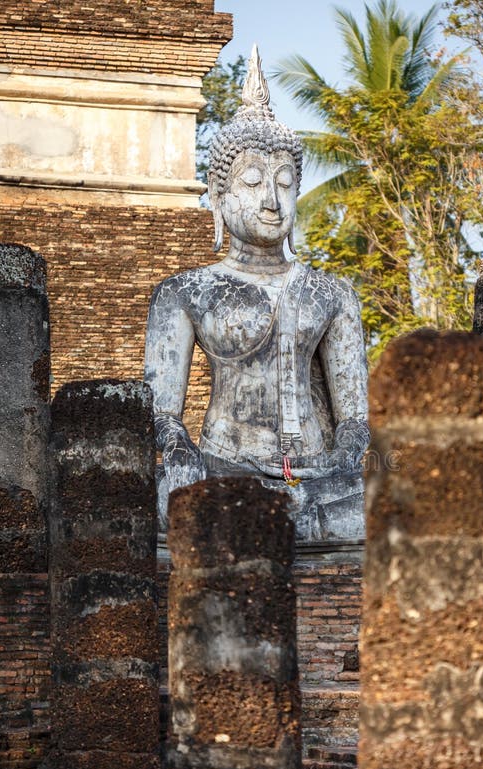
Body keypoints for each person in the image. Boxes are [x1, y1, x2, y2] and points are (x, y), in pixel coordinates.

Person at [144, 47, 369, 542]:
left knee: (394, 500)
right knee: (157, 497)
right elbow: (163, 412)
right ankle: (284, 524)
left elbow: (354, 415)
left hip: (318, 477)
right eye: (252, 181)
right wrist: (178, 451)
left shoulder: (331, 293)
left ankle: (284, 522)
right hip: (224, 467)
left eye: (285, 183)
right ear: (220, 199)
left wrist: (350, 451)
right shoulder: (185, 292)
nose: (272, 198)